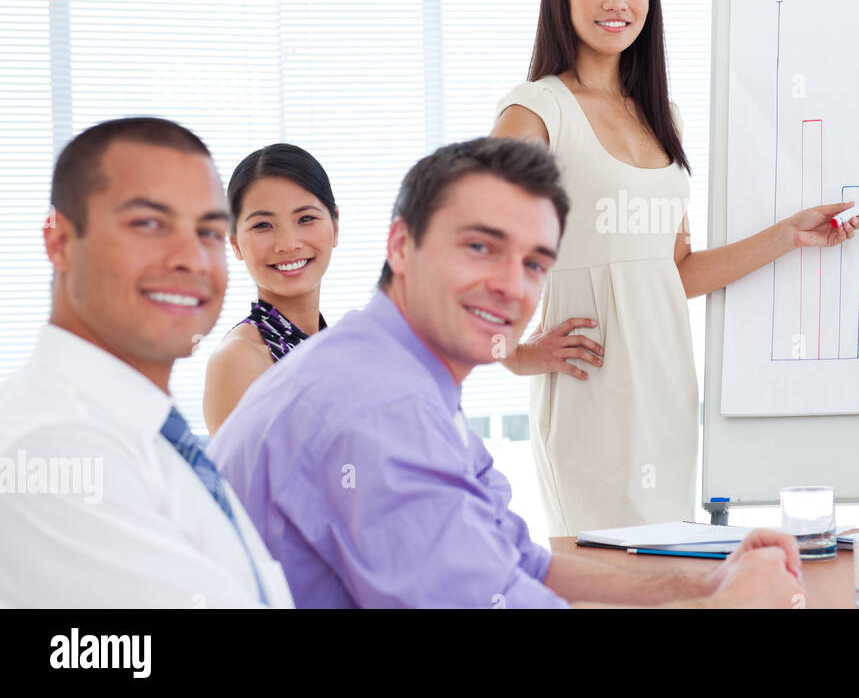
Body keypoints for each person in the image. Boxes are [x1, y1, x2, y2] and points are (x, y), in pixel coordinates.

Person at [209, 137, 804, 608]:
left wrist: (708, 584)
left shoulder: (394, 368)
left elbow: (519, 561)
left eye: (535, 262)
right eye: (480, 247)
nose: (510, 286)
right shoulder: (378, 409)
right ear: (401, 245)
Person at [492, 0, 859, 535]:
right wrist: (515, 353)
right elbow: (469, 253)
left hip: (665, 388)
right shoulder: (535, 111)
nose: (618, 3)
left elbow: (677, 271)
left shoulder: (663, 117)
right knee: (606, 578)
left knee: (667, 574)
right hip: (590, 389)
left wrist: (789, 234)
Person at [0, 117, 294, 607]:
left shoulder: (147, 433)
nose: (191, 259)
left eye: (208, 231)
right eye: (149, 224)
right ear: (59, 242)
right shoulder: (53, 447)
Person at [203, 143, 339, 435]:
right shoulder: (240, 360)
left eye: (305, 219)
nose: (288, 244)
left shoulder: (335, 347)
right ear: (236, 243)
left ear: (335, 227)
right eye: (263, 225)